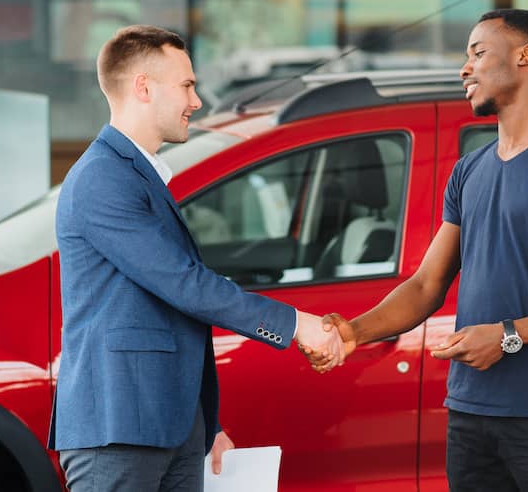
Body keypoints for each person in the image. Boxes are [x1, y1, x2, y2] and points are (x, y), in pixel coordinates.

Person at [314, 9, 528, 491]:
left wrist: (506, 336)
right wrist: (355, 330)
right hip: (468, 413)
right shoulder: (469, 170)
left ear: (526, 56)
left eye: (478, 53)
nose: (465, 68)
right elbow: (425, 285)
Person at [48, 25, 345, 492]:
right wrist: (295, 324)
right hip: (118, 427)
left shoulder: (139, 174)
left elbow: (166, 308)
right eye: (187, 85)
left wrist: (207, 425)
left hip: (170, 425)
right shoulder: (103, 178)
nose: (197, 101)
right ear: (143, 87)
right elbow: (183, 284)